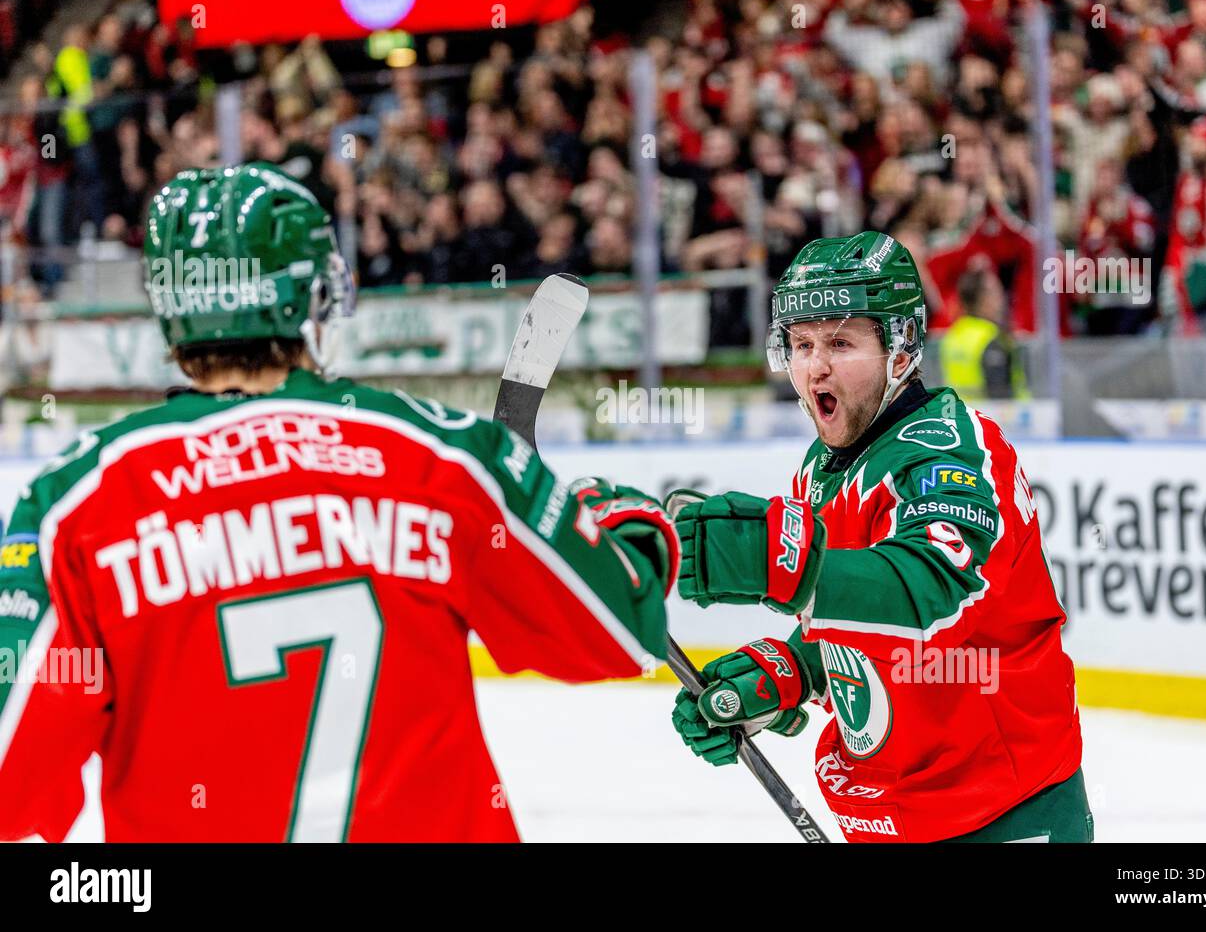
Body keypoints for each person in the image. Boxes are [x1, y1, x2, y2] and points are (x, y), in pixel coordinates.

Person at [0, 163, 676, 842]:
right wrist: (613, 519)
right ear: (313, 297)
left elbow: (11, 777)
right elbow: (616, 630)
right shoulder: (441, 454)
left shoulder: (75, 504)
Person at [670, 231, 1090, 843]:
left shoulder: (950, 450)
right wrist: (784, 673)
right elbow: (857, 629)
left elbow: (927, 590)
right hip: (887, 818)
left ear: (901, 351)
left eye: (841, 342)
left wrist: (777, 565)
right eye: (802, 343)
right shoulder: (822, 469)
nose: (816, 364)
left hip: (1004, 817)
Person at [938, 265, 1028, 401]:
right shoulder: (992, 337)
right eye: (996, 293)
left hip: (960, 416)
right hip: (995, 418)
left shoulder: (952, 336)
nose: (1001, 300)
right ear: (982, 298)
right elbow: (1000, 395)